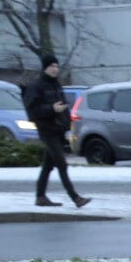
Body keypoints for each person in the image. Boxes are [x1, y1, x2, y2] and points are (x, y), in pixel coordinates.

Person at [23, 53, 90, 209]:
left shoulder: (56, 85)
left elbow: (64, 107)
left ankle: (40, 197)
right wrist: (51, 109)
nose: (55, 69)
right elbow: (32, 111)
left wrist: (67, 125)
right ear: (45, 68)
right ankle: (75, 198)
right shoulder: (36, 86)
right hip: (46, 130)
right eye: (51, 66)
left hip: (58, 129)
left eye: (56, 66)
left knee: (48, 165)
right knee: (61, 164)